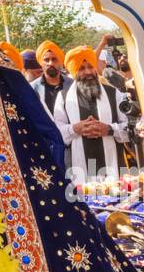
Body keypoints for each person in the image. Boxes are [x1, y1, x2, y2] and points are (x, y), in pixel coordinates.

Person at [53, 44, 129, 183]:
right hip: (79, 175)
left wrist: (109, 129)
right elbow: (56, 134)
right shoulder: (63, 97)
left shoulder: (114, 93)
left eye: (90, 66)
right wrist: (74, 129)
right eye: (81, 68)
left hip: (114, 171)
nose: (88, 72)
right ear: (74, 72)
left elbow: (130, 129)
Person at [31, 39, 72, 118]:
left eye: (54, 59)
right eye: (46, 60)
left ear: (60, 61)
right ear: (41, 63)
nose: (51, 63)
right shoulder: (32, 88)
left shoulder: (72, 85)